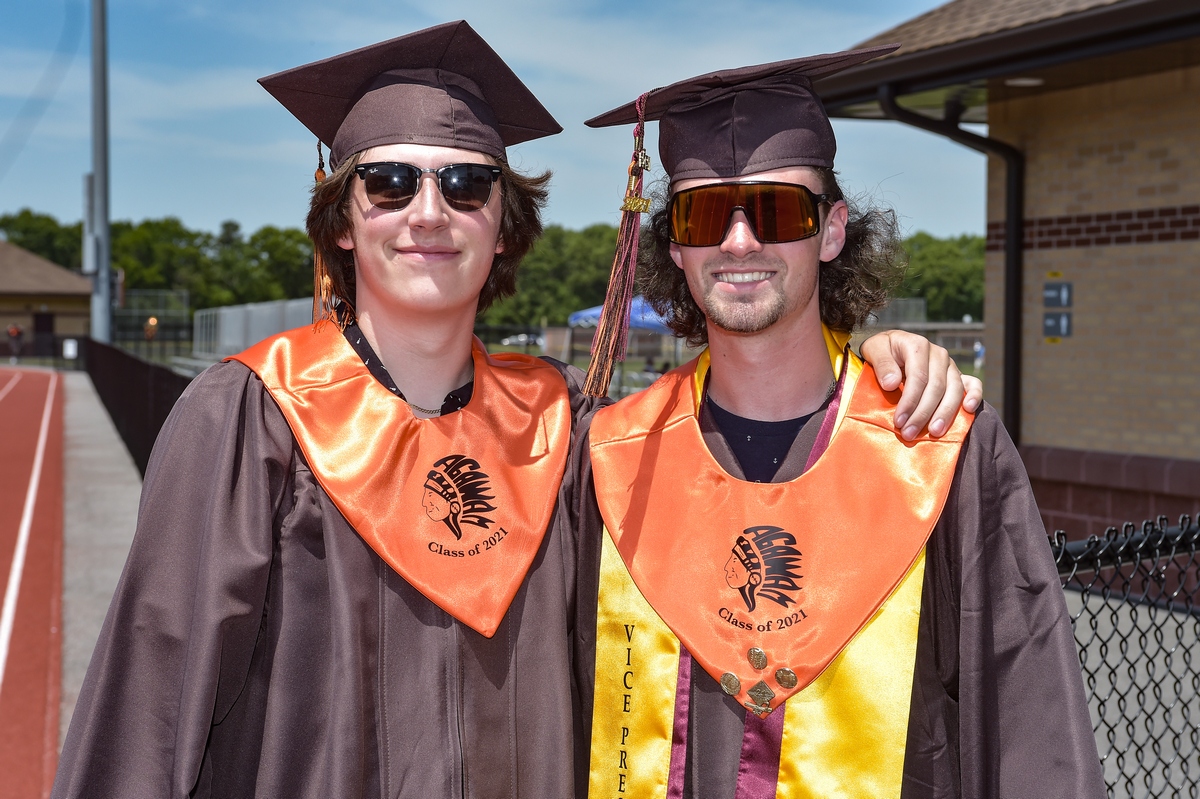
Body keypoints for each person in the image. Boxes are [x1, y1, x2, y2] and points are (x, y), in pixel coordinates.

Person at [52, 24, 980, 799]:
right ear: (341, 219)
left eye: (466, 184)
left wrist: (868, 361)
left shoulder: (563, 431)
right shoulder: (249, 420)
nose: (429, 210)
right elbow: (150, 709)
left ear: (502, 224)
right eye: (389, 182)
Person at [573, 47, 1105, 798]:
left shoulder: (937, 445)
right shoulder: (611, 457)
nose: (739, 241)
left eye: (777, 210)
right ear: (675, 247)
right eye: (702, 213)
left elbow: (1029, 722)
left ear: (831, 231)